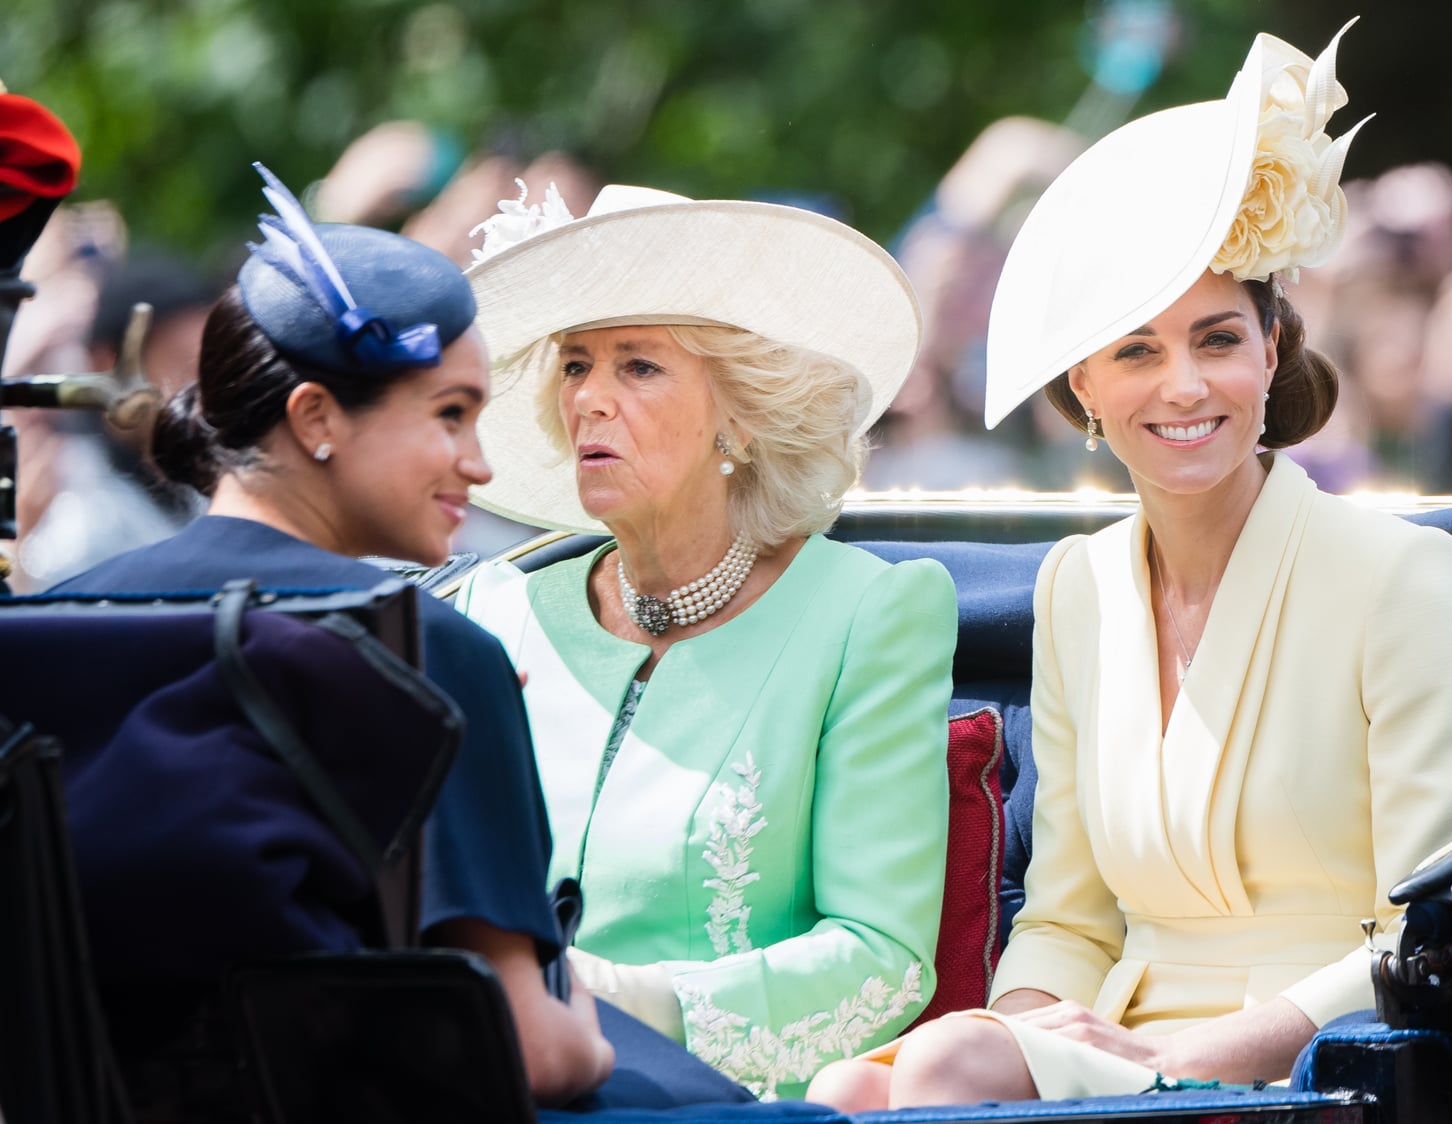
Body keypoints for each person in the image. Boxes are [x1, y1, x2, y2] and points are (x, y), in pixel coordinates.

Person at [810, 21, 1452, 1110]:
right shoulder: (1075, 586)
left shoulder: (1401, 573)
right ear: (1082, 383)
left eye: (1218, 338)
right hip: (1115, 1040)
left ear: (1272, 351)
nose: (1183, 385)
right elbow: (1067, 916)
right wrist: (1034, 1021)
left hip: (1321, 1058)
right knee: (847, 1085)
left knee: (939, 1065)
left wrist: (1184, 1057)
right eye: (1136, 349)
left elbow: (1426, 932)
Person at [48, 165, 614, 1107]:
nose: (477, 463)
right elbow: (531, 1052)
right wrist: (588, 1043)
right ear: (315, 418)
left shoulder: (52, 624)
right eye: (451, 415)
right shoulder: (423, 653)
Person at [453, 182, 958, 1100]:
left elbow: (882, 961)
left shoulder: (869, 615)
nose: (590, 400)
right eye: (575, 365)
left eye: (638, 366)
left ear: (739, 410)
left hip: (715, 1101)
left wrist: (625, 1005)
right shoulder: (497, 610)